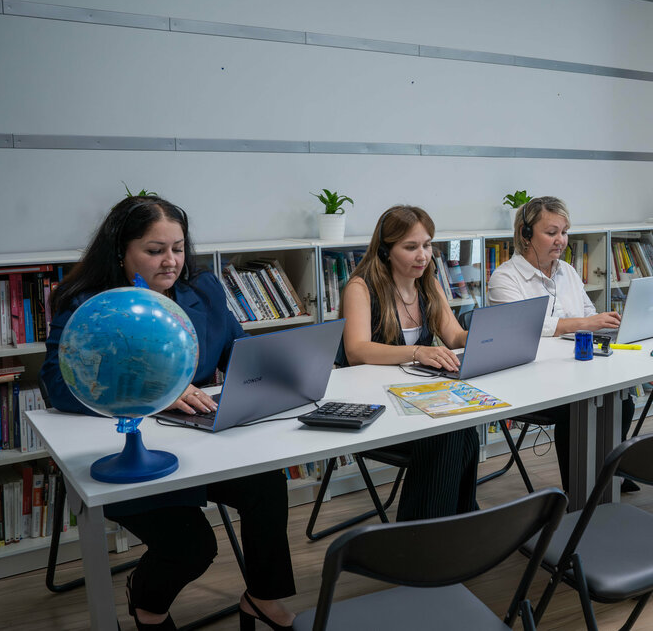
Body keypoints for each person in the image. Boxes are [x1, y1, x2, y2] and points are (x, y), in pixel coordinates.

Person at [40, 196, 296, 631]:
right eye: (155, 250)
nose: (171, 261)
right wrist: (161, 391)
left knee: (267, 485)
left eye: (177, 248)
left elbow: (237, 351)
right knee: (192, 545)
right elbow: (58, 384)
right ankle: (147, 605)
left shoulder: (204, 290)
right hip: (124, 449)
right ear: (121, 251)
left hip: (195, 438)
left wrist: (280, 370)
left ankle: (262, 597)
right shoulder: (88, 303)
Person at [338, 205, 478, 521]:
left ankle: (456, 520)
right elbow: (356, 351)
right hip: (374, 404)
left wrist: (492, 335)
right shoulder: (361, 287)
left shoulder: (428, 284)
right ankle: (427, 531)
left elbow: (455, 336)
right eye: (411, 247)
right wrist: (416, 351)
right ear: (386, 250)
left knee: (465, 428)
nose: (422, 256)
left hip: (417, 397)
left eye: (427, 245)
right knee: (450, 432)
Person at [487, 196, 636, 492]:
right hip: (526, 380)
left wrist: (603, 325)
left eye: (564, 232)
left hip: (571, 369)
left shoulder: (566, 272)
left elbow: (587, 313)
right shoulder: (504, 278)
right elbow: (527, 329)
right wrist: (585, 324)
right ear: (525, 235)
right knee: (577, 409)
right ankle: (580, 491)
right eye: (551, 232)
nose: (561, 240)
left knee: (622, 401)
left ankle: (607, 475)